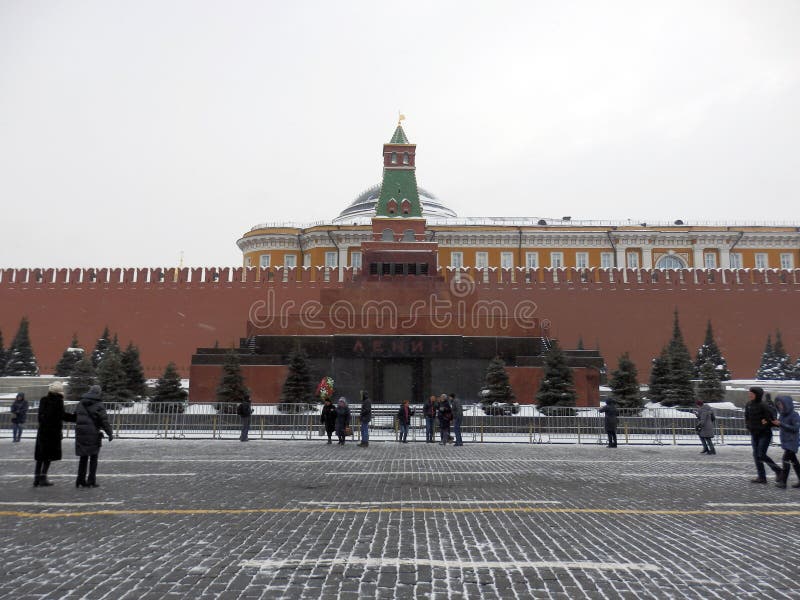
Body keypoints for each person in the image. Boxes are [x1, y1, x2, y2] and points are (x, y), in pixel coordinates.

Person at [33, 381, 76, 487]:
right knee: (48, 457)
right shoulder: (58, 401)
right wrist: (75, 417)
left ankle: (36, 478)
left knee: (40, 457)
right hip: (52, 433)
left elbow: (40, 416)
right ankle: (43, 478)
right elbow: (62, 415)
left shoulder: (43, 400)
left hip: (42, 432)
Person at [74, 385, 113, 488]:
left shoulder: (80, 403)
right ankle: (91, 480)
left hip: (81, 432)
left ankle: (80, 480)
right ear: (98, 393)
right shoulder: (99, 404)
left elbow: (75, 416)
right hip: (93, 433)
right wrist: (110, 433)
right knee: (93, 458)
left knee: (83, 457)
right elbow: (104, 421)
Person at [744, 386, 782, 484]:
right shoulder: (748, 405)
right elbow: (747, 417)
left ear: (757, 395)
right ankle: (762, 477)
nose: (750, 395)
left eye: (752, 393)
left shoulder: (763, 405)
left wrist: (767, 423)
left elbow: (771, 419)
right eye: (749, 393)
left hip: (764, 434)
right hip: (754, 434)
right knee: (756, 455)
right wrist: (748, 426)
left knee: (761, 454)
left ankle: (778, 471)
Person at [772, 395, 800, 488]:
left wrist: (781, 424)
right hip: (786, 442)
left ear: (787, 404)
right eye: (778, 405)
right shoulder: (782, 415)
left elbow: (795, 428)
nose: (780, 406)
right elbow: (780, 425)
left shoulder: (794, 415)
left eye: (781, 404)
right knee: (794, 462)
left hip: (792, 442)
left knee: (785, 461)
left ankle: (783, 482)